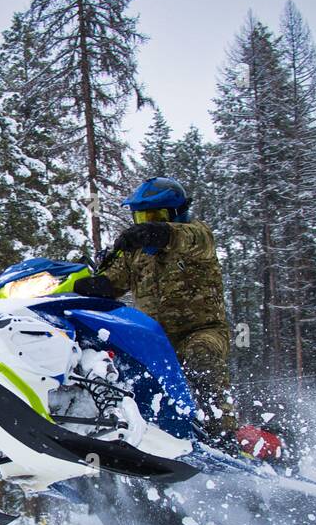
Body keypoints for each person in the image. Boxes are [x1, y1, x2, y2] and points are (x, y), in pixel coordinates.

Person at [75, 177, 281, 461]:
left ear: (175, 214)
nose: (146, 224)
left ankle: (220, 434)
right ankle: (108, 425)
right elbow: (110, 283)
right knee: (117, 362)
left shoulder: (197, 237)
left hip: (202, 330)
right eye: (141, 217)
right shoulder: (134, 256)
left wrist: (156, 232)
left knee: (200, 354)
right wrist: (83, 283)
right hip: (152, 338)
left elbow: (188, 238)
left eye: (155, 216)